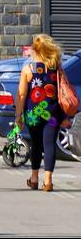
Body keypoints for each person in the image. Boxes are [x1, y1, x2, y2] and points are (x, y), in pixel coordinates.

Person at [16, 34, 71, 192]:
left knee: (36, 144)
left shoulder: (28, 69)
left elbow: (21, 94)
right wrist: (65, 115)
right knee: (49, 144)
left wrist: (18, 115)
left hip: (33, 114)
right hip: (53, 114)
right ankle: (48, 181)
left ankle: (34, 178)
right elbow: (63, 91)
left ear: (35, 50)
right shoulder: (57, 69)